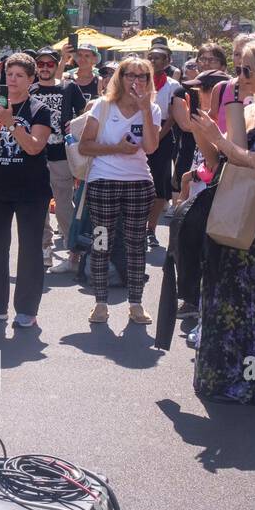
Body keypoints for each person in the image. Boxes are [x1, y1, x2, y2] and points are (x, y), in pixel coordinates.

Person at [187, 39, 255, 405]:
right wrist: (210, 131)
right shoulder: (249, 109)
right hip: (233, 206)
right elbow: (232, 159)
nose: (240, 75)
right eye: (238, 68)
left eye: (246, 70)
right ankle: (225, 376)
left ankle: (252, 380)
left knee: (253, 299)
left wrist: (219, 137)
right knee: (226, 294)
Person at [0, 53, 53, 328]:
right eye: (9, 74)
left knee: (30, 248)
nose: (13, 80)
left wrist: (11, 123)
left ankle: (27, 309)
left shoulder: (39, 110)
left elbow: (34, 146)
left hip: (32, 190)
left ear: (31, 80)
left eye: (20, 76)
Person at [77, 57, 160, 325]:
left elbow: (151, 148)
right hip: (103, 184)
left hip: (138, 184)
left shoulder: (153, 109)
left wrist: (145, 110)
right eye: (130, 75)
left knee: (136, 246)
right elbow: (84, 146)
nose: (136, 81)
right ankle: (100, 303)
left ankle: (135, 304)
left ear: (148, 81)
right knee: (102, 243)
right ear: (120, 78)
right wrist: (116, 148)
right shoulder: (102, 106)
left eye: (142, 76)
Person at [29, 47, 88, 272]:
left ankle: (73, 250)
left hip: (61, 154)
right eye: (41, 64)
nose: (45, 68)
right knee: (39, 206)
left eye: (50, 64)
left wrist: (73, 125)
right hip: (34, 155)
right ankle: (45, 249)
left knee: (64, 205)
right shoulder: (30, 89)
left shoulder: (69, 87)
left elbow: (85, 113)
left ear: (56, 66)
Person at [143, 38, 183, 248]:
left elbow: (173, 115)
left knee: (159, 186)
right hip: (137, 138)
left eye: (158, 58)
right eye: (150, 57)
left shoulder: (173, 85)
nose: (153, 61)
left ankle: (151, 229)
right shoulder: (137, 79)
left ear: (167, 61)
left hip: (162, 139)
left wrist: (158, 135)